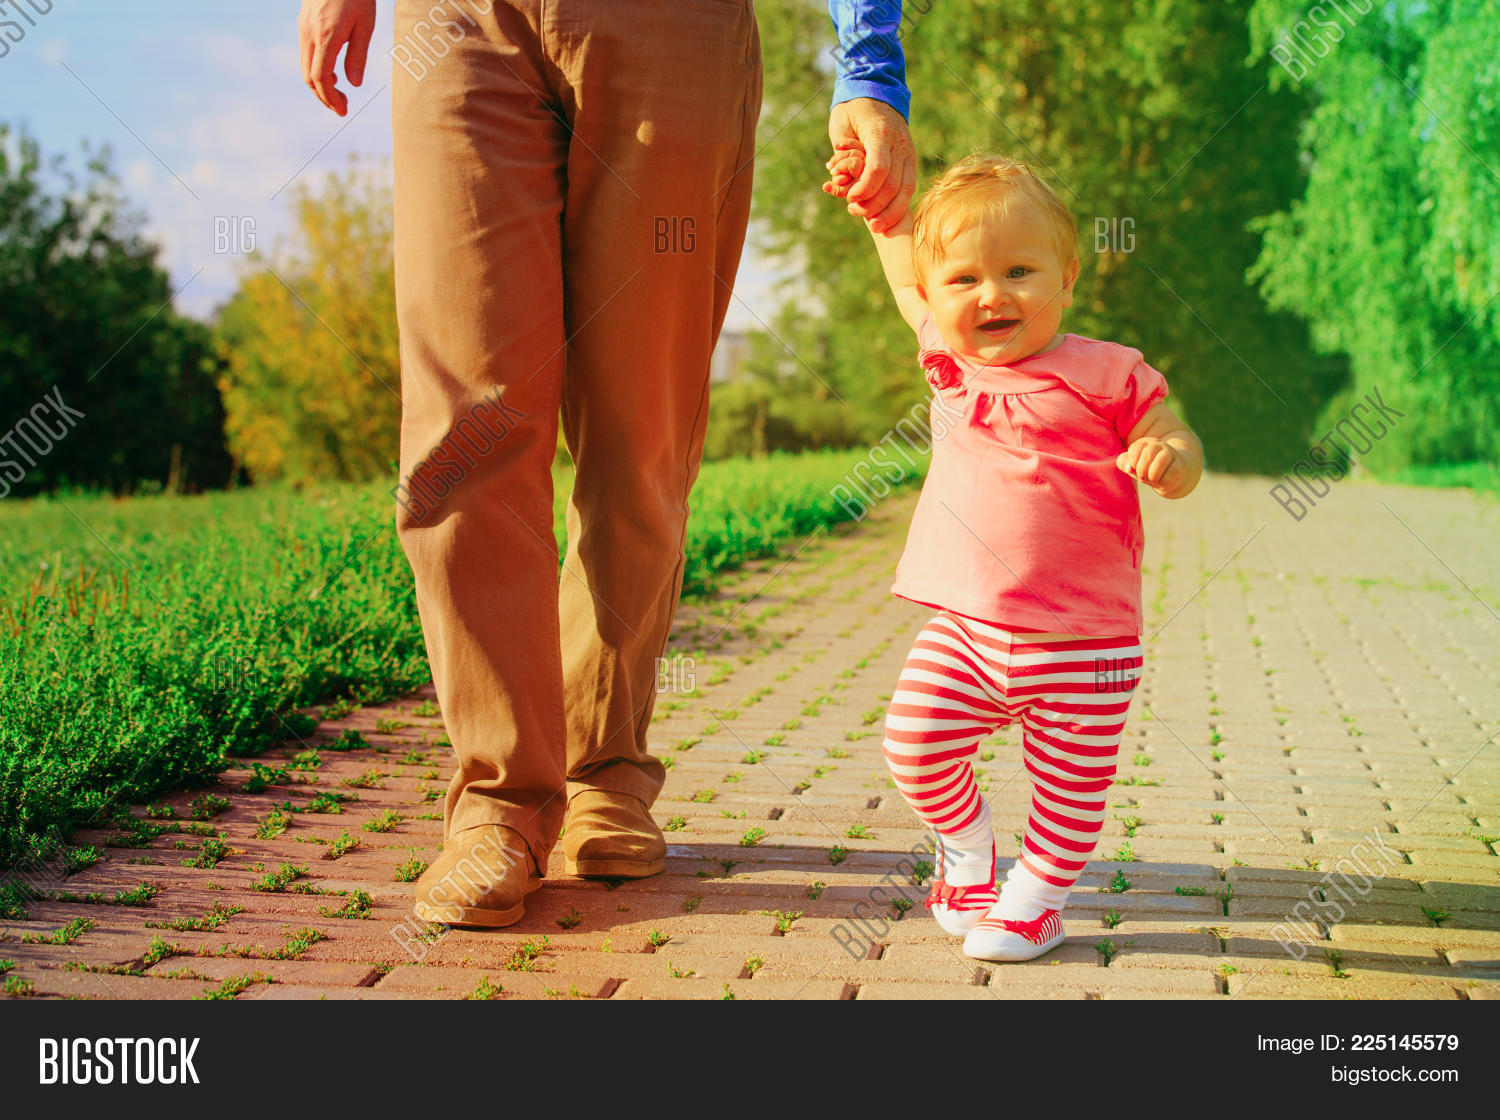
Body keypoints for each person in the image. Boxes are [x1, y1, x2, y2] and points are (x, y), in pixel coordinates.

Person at [296, 0, 917, 928]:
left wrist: (868, 63)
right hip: (462, 21)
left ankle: (605, 771)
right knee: (465, 424)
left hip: (675, 28)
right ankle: (500, 803)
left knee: (641, 428)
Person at [826, 150, 1204, 960]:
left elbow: (1170, 429)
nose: (992, 294)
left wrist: (1171, 458)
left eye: (1020, 271)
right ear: (935, 299)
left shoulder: (1105, 370)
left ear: (1067, 277)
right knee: (914, 742)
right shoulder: (950, 362)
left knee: (1071, 788)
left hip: (1087, 643)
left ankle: (1037, 900)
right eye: (964, 281)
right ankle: (966, 849)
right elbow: (903, 275)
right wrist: (882, 211)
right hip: (966, 628)